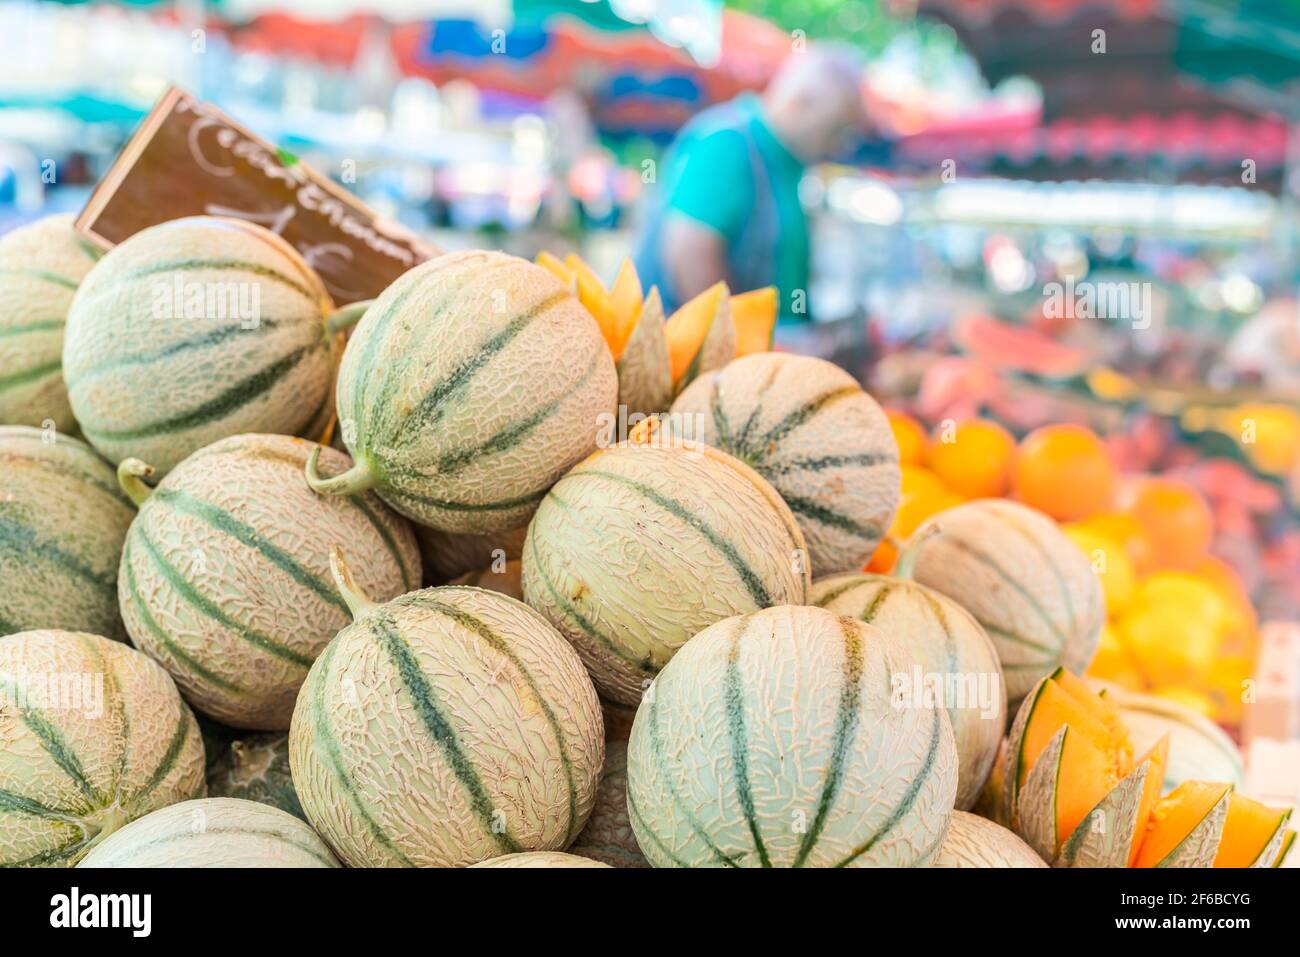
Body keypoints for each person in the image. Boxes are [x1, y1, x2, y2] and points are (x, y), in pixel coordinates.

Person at [633, 43, 865, 324]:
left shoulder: (788, 165)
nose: (839, 146)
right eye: (836, 129)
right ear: (799, 103)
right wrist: (743, 346)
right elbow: (688, 253)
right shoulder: (727, 143)